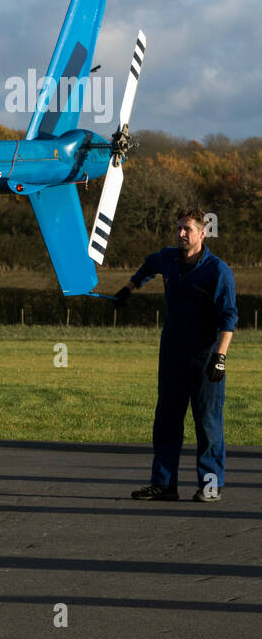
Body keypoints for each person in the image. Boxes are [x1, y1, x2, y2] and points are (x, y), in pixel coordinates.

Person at [115, 207, 236, 502]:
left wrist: (220, 357)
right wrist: (130, 288)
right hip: (172, 355)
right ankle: (164, 485)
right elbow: (148, 265)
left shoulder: (217, 270)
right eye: (179, 228)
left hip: (205, 358)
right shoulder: (168, 258)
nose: (182, 234)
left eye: (188, 229)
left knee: (207, 422)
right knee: (166, 420)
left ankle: (210, 485)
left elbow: (229, 317)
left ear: (202, 232)